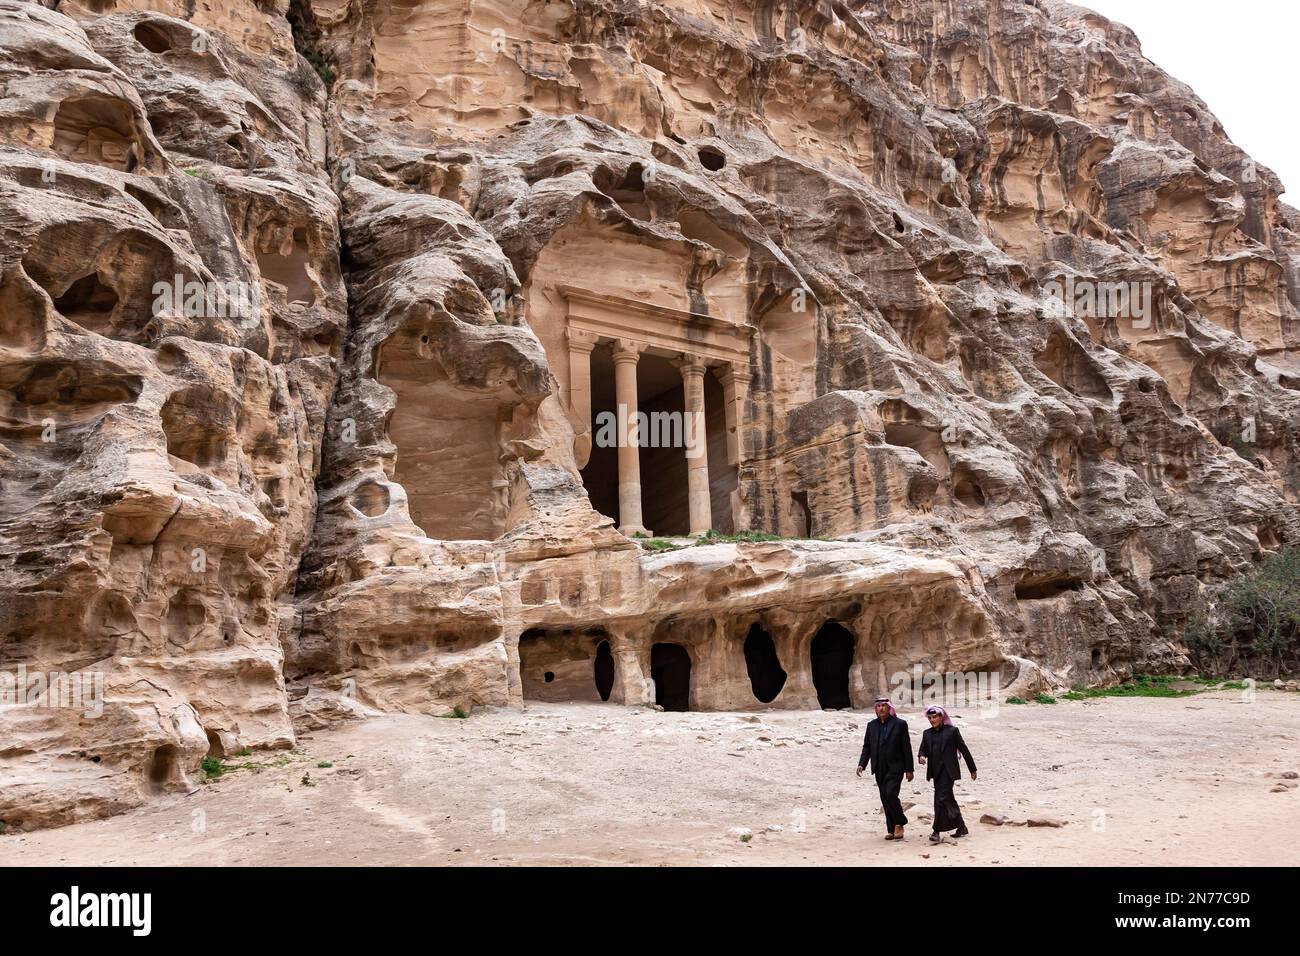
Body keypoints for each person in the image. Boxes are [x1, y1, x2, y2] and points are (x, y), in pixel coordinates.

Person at [856, 696, 914, 840]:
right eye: (878, 706)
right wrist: (862, 764)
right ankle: (892, 829)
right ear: (875, 709)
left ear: (889, 708)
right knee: (884, 798)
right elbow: (867, 746)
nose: (880, 708)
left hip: (896, 767)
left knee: (890, 794)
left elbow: (906, 748)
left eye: (883, 705)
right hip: (879, 767)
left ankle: (900, 823)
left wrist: (909, 769)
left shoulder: (900, 724)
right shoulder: (872, 725)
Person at [917, 704, 977, 843]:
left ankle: (936, 831)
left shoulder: (952, 731)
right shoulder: (927, 733)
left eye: (934, 717)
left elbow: (964, 749)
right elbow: (922, 749)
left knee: (940, 799)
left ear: (941, 717)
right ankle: (961, 826)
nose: (932, 720)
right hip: (935, 771)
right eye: (930, 717)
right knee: (947, 799)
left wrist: (972, 769)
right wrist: (921, 757)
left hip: (949, 771)